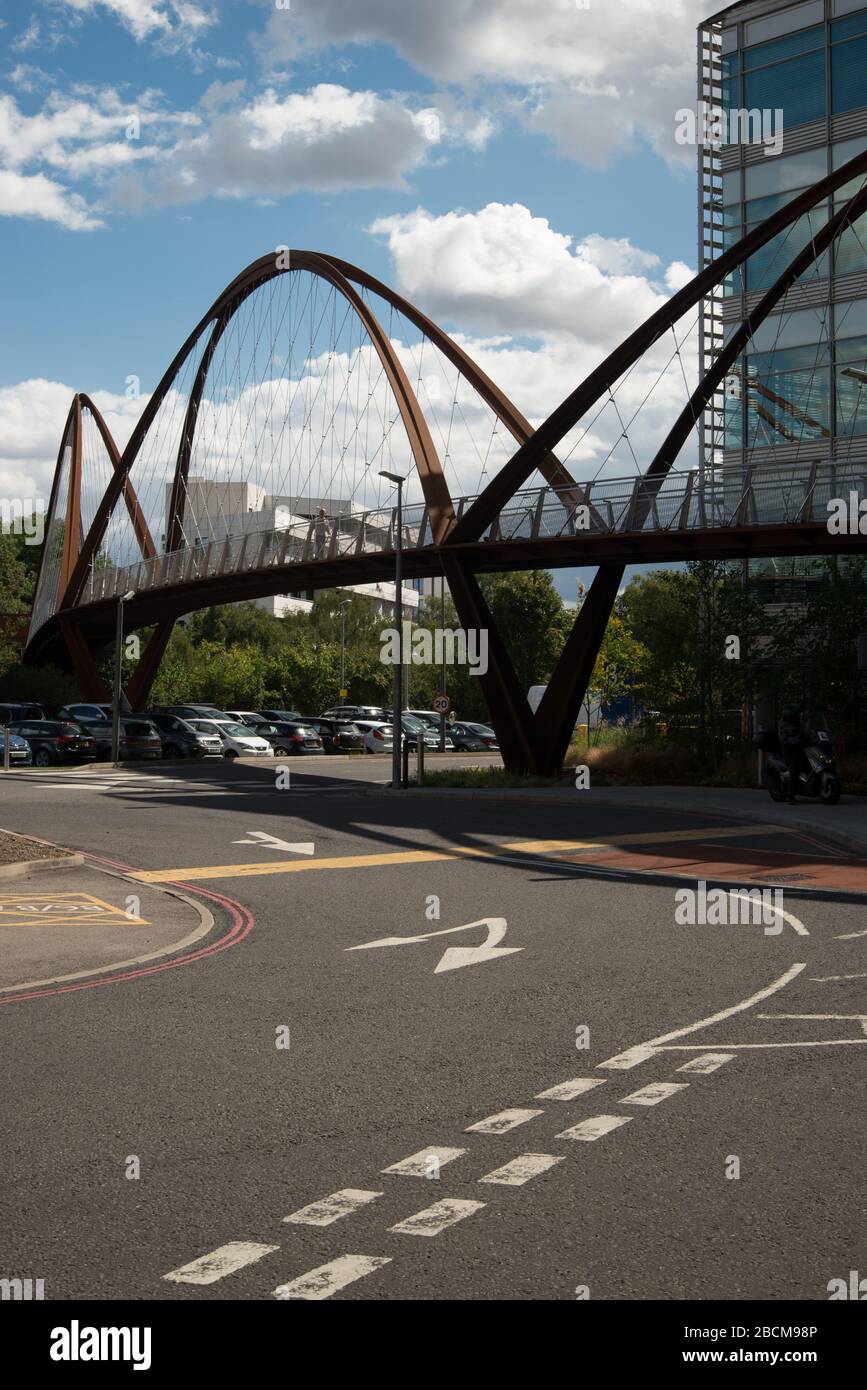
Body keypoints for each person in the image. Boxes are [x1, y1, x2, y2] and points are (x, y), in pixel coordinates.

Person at [777, 705, 805, 804]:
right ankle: (790, 796)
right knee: (794, 770)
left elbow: (805, 733)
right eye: (795, 714)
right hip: (789, 751)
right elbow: (784, 739)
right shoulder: (783, 724)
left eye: (797, 714)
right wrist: (796, 740)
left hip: (800, 749)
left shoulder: (799, 723)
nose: (797, 716)